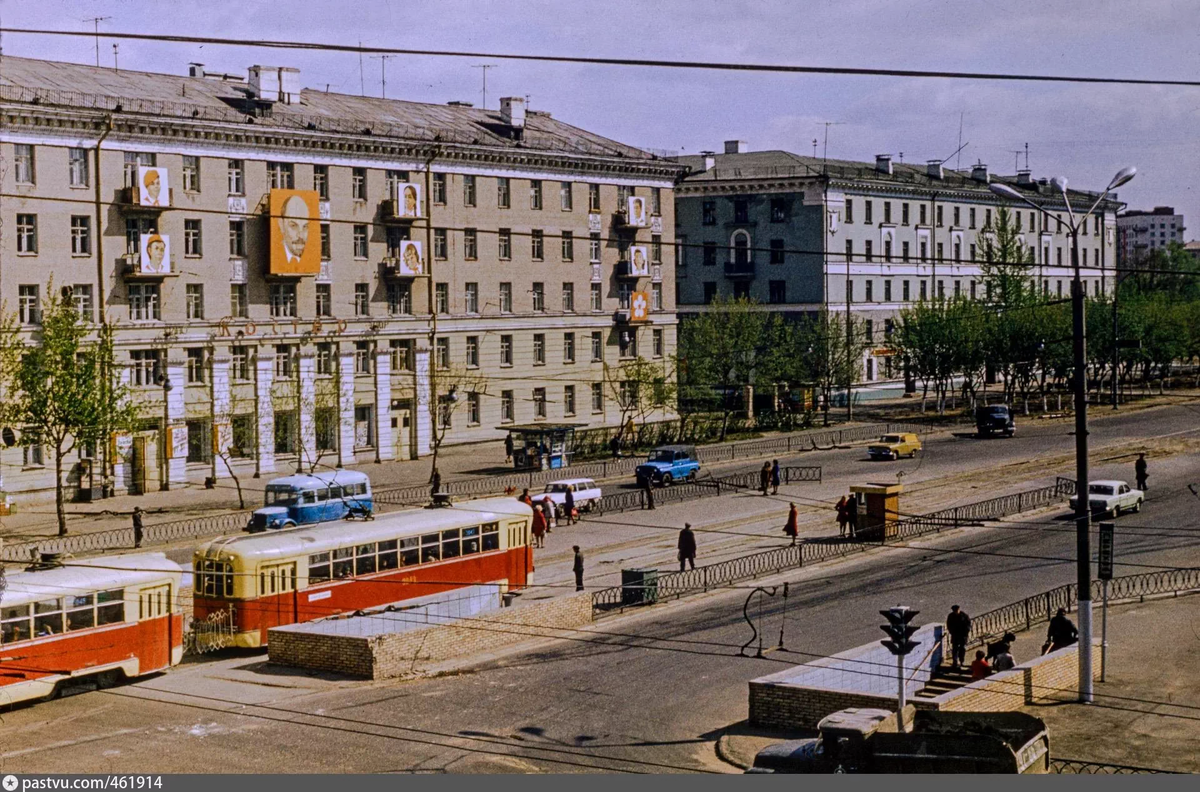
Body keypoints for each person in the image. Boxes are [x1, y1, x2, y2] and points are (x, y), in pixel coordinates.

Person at [278, 193, 311, 264]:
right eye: (293, 226)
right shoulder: (276, 257)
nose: (301, 235)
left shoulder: (310, 259)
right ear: (281, 225)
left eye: (305, 227)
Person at [946, 605, 971, 669]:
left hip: (963, 636)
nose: (956, 612)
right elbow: (949, 625)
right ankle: (955, 662)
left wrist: (965, 633)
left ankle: (961, 661)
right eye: (955, 611)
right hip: (955, 635)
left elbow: (968, 625)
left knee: (962, 649)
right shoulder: (951, 616)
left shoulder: (964, 616)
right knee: (955, 649)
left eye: (957, 610)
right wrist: (952, 632)